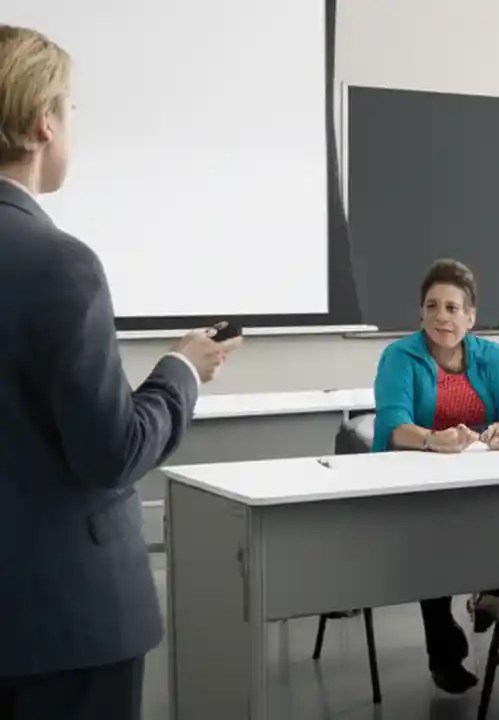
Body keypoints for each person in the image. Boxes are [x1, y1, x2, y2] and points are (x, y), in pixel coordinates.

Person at [0, 25, 243, 720]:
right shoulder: (59, 264)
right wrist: (182, 369)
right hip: (62, 626)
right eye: (71, 109)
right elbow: (114, 450)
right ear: (43, 122)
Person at [371, 258, 499, 693]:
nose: (442, 317)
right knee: (433, 545)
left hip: (483, 481)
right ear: (421, 313)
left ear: (470, 316)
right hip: (419, 485)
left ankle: (494, 593)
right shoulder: (400, 356)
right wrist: (430, 439)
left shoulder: (490, 355)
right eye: (432, 306)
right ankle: (443, 649)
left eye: (452, 307)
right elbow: (392, 425)